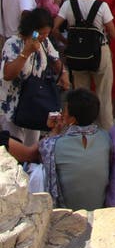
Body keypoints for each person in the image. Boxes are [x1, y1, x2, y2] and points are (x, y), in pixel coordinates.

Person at [53, 0, 115, 130]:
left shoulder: (69, 5)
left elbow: (54, 27)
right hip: (99, 51)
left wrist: (66, 41)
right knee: (104, 94)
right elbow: (112, 32)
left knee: (81, 93)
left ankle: (81, 128)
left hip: (77, 53)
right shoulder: (102, 6)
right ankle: (106, 129)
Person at [0, 8, 69, 145]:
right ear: (32, 30)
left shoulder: (44, 42)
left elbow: (55, 59)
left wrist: (64, 74)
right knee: (16, 146)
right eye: (41, 33)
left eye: (46, 33)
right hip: (14, 105)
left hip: (34, 103)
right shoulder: (13, 44)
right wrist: (26, 52)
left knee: (32, 146)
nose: (44, 36)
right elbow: (8, 74)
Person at [38, 89, 110, 210]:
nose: (62, 113)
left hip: (68, 211)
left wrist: (54, 131)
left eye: (65, 111)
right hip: (99, 208)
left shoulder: (53, 144)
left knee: (36, 171)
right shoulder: (105, 138)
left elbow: (40, 152)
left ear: (72, 119)